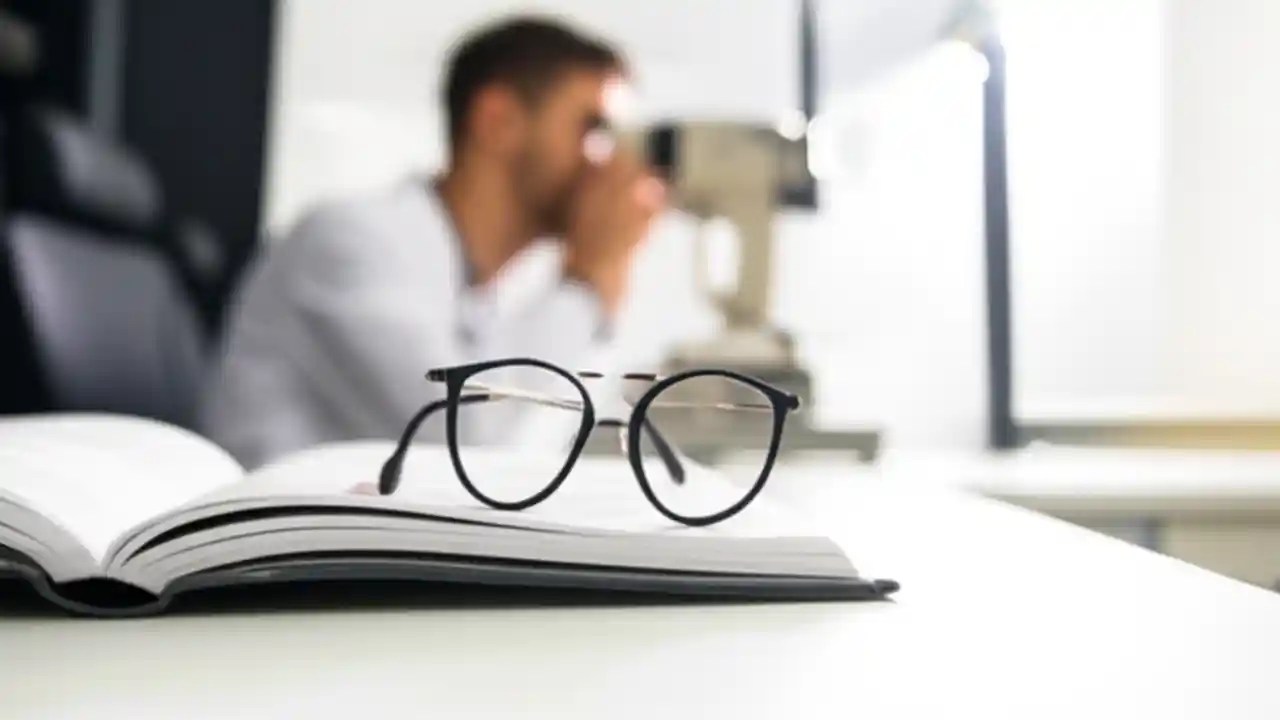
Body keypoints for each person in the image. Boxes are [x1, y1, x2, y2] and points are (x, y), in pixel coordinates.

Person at [202, 17, 664, 468]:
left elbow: (534, 456)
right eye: (593, 130)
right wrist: (584, 283)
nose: (610, 165)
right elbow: (463, 439)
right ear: (497, 119)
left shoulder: (478, 295)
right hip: (282, 539)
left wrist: (601, 286)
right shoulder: (352, 240)